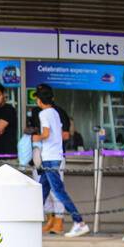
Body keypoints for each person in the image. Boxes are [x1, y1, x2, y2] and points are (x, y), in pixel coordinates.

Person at [31, 85, 88, 238]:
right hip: (55, 156)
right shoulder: (56, 113)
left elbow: (46, 134)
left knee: (58, 191)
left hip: (49, 158)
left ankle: (79, 222)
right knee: (42, 191)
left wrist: (36, 137)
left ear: (39, 100)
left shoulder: (44, 114)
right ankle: (30, 223)